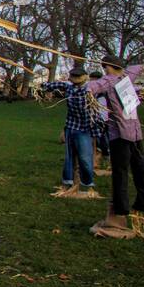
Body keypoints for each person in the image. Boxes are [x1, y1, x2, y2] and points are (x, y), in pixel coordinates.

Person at [87, 56, 144, 234]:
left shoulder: (110, 79)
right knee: (140, 171)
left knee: (122, 173)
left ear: (108, 67)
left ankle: (125, 208)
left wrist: (88, 89)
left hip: (123, 136)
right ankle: (135, 205)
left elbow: (91, 87)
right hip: (133, 135)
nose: (105, 70)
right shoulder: (127, 77)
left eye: (105, 67)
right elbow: (136, 68)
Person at [40, 66, 98, 197]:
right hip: (70, 127)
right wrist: (43, 85)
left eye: (78, 76)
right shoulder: (69, 87)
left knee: (84, 159)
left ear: (84, 77)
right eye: (73, 76)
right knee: (69, 158)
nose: (75, 79)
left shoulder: (90, 89)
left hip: (85, 129)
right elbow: (53, 85)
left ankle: (88, 186)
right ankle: (67, 183)